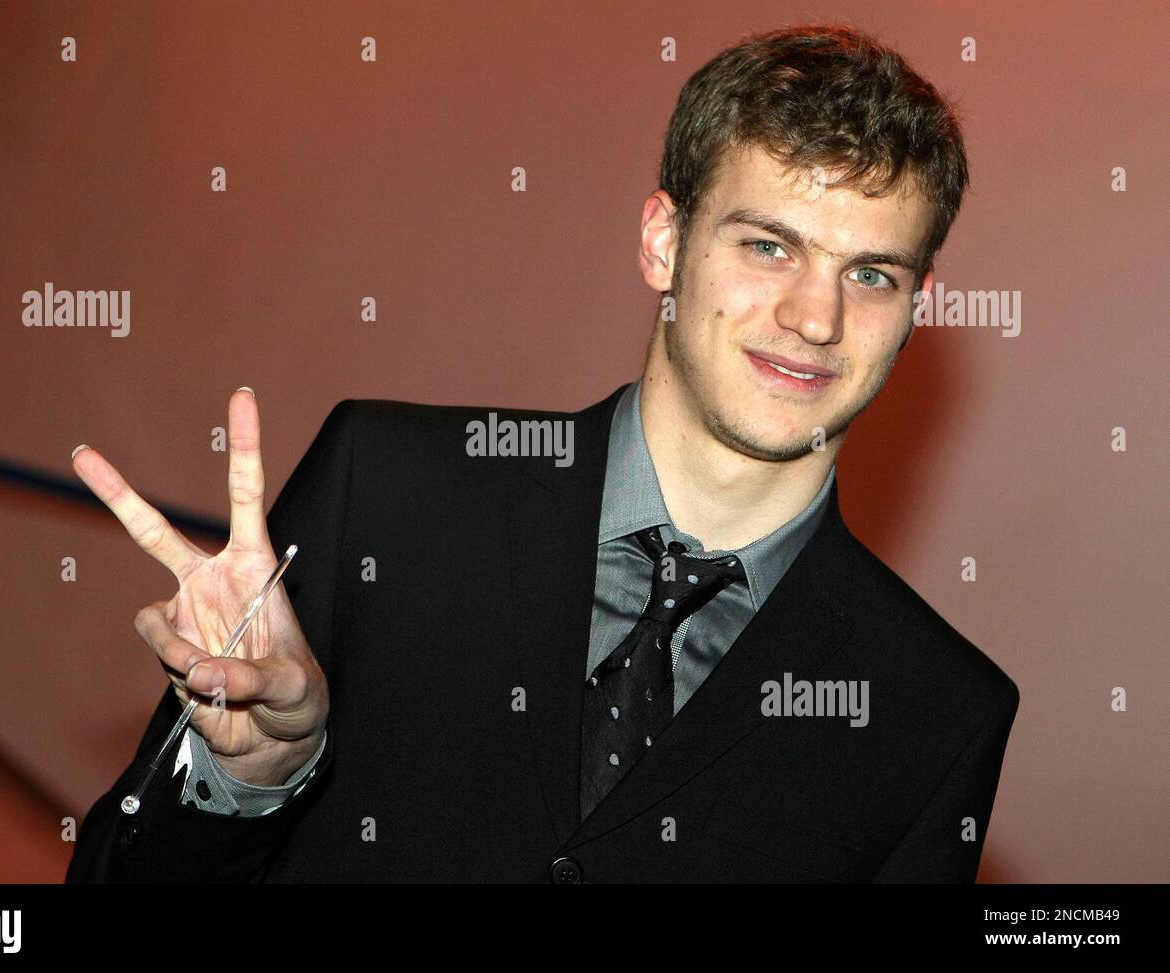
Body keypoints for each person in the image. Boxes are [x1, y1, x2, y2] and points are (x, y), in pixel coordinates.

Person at [66, 23, 1018, 883]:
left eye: (870, 273)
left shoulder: (935, 716)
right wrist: (252, 777)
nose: (817, 317)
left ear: (918, 304)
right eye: (769, 246)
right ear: (663, 242)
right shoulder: (392, 495)